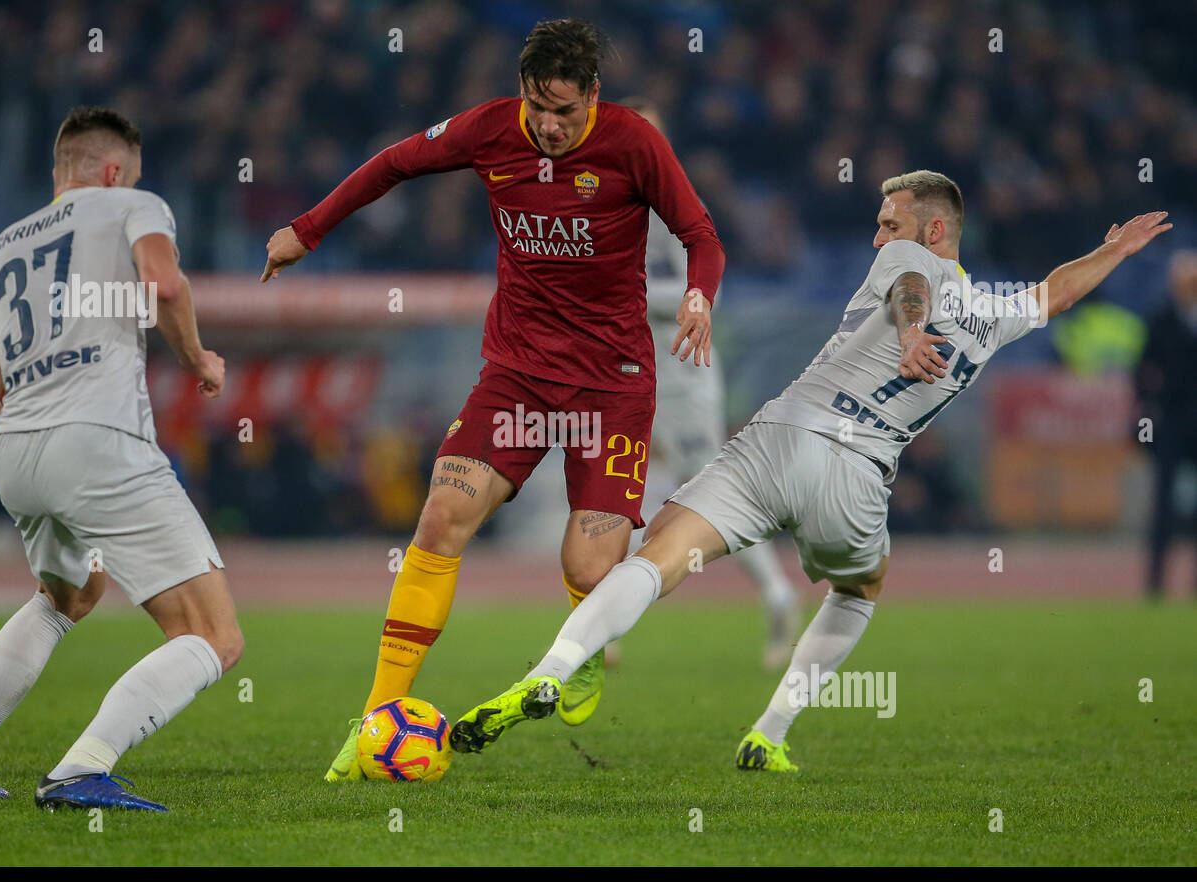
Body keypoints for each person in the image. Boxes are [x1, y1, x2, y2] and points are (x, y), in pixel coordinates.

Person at [449, 171, 1171, 770]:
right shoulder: (991, 313)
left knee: (659, 553)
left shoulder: (906, 258)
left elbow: (912, 287)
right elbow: (1054, 294)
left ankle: (552, 670)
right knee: (859, 587)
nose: (879, 237)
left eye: (890, 223)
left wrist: (913, 332)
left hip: (779, 438)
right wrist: (1114, 253)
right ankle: (770, 732)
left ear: (934, 230)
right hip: (857, 475)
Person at [261, 18, 724, 782]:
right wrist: (308, 230)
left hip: (612, 383)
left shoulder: (634, 141)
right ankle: (374, 717)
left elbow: (701, 234)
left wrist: (700, 296)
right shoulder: (488, 130)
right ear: (522, 92)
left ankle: (584, 648)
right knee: (441, 517)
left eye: (564, 112)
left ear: (593, 97)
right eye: (538, 107)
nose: (549, 125)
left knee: (588, 565)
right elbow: (393, 163)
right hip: (518, 374)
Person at [0, 106, 242, 811]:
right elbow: (164, 282)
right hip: (100, 439)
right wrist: (198, 358)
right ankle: (81, 769)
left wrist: (33, 453)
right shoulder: (133, 203)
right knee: (212, 635)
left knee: (68, 595)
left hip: (16, 453)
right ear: (113, 170)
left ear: (58, 171)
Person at [622, 97, 800, 670]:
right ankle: (602, 621)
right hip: (626, 372)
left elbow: (698, 294)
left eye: (652, 134)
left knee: (706, 495)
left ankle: (777, 593)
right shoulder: (604, 204)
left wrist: (623, 295)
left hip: (681, 373)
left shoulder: (676, 207)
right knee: (612, 486)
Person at [1135, 249, 1197, 596]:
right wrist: (1150, 407)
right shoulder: (1160, 320)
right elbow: (1142, 371)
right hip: (1171, 422)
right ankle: (1155, 583)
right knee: (1163, 505)